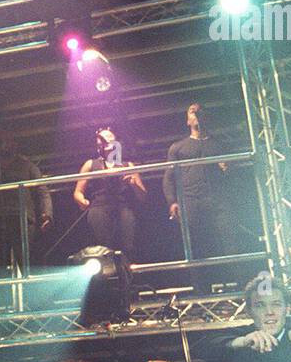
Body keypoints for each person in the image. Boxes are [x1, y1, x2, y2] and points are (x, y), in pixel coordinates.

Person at [163, 103, 234, 289]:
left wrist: (227, 169)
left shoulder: (219, 144)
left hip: (217, 199)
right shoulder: (178, 147)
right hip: (191, 200)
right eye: (191, 111)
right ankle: (201, 291)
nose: (195, 113)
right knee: (195, 245)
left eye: (198, 111)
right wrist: (172, 202)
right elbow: (168, 178)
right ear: (188, 120)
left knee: (229, 240)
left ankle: (237, 286)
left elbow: (233, 173)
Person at [0, 135, 54, 278]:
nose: (4, 145)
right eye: (2, 143)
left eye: (8, 142)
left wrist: (46, 213)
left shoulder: (27, 165)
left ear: (15, 145)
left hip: (21, 216)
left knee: (25, 259)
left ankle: (29, 292)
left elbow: (42, 189)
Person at [73, 127, 147, 265]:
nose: (105, 140)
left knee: (127, 245)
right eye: (101, 138)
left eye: (109, 137)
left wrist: (133, 184)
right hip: (99, 208)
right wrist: (82, 200)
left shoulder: (127, 164)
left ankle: (127, 278)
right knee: (103, 247)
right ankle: (107, 278)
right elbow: (78, 191)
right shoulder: (90, 164)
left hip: (123, 207)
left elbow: (142, 195)